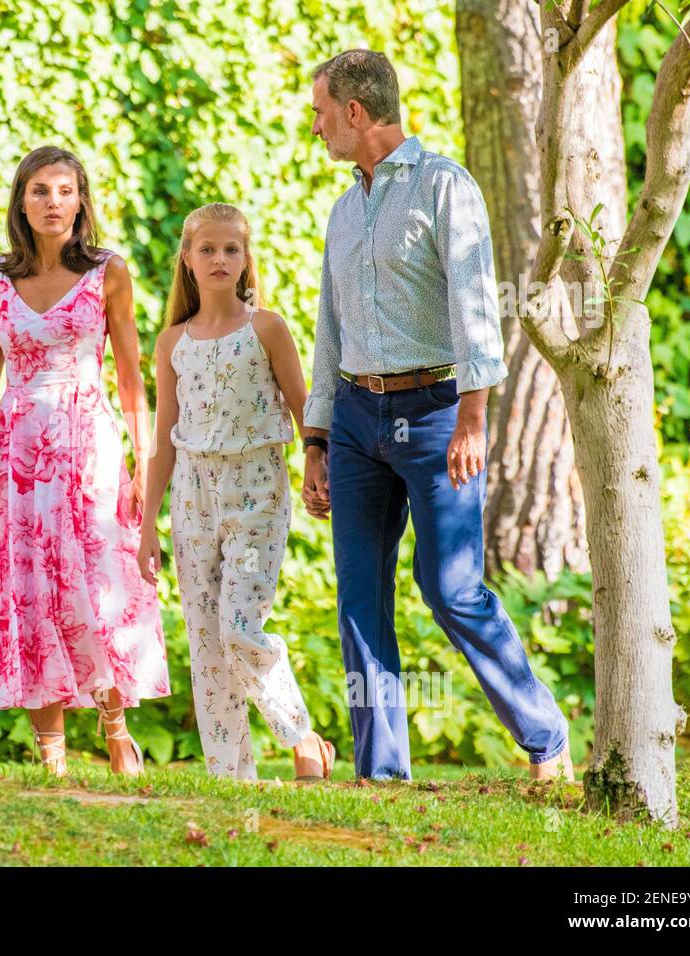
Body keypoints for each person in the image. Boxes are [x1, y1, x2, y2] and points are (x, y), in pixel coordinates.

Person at [301, 50, 575, 782]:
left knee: (451, 586)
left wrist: (473, 420)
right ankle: (380, 772)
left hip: (436, 414)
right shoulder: (343, 207)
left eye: (322, 112)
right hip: (357, 416)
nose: (317, 126)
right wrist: (317, 437)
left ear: (356, 113)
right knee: (360, 594)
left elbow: (475, 307)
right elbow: (331, 329)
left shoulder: (445, 187)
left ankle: (546, 736)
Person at [0, 146, 170, 777]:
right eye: (39, 191)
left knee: (99, 586)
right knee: (28, 590)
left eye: (64, 190)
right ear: (21, 202)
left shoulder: (109, 271)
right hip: (18, 454)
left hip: (90, 449)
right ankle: (50, 756)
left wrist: (143, 465)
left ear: (81, 200)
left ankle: (114, 730)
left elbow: (133, 381)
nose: (53, 202)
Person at [137, 202, 338, 783]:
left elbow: (307, 413)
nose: (220, 258)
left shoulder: (267, 328)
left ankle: (301, 736)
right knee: (205, 640)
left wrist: (316, 465)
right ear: (188, 259)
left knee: (238, 627)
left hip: (256, 489)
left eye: (231, 249)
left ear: (246, 258)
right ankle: (231, 776)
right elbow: (163, 439)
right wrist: (148, 521)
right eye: (208, 249)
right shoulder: (172, 341)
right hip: (192, 495)